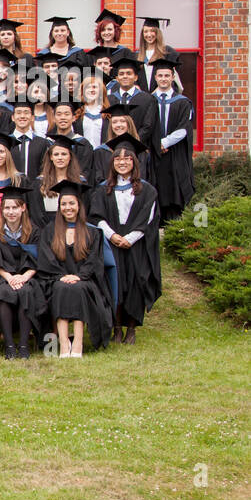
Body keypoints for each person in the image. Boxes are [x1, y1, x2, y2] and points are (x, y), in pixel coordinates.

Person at [89, 136, 161, 344]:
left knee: (137, 284)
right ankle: (117, 329)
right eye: (117, 159)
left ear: (134, 162)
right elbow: (96, 216)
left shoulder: (147, 190)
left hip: (136, 245)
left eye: (127, 158)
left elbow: (149, 219)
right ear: (112, 163)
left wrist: (129, 238)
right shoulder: (103, 189)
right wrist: (112, 235)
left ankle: (131, 329)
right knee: (115, 284)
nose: (122, 162)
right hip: (111, 244)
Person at [36, 180, 113, 356]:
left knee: (77, 288)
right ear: (59, 207)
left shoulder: (91, 232)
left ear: (79, 205)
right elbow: (46, 259)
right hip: (56, 279)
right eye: (63, 204)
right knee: (62, 287)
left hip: (85, 280)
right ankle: (64, 344)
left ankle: (77, 343)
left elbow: (94, 261)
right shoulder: (50, 231)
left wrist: (79, 276)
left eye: (71, 203)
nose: (67, 207)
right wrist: (61, 276)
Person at [0, 185, 45, 359]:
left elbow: (39, 260)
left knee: (26, 292)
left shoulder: (34, 232)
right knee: (4, 293)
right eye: (7, 208)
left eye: (15, 207)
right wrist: (9, 277)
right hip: (3, 277)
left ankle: (24, 346)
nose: (11, 212)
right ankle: (9, 346)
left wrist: (24, 277)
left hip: (29, 277)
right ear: (2, 210)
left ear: (23, 208)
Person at [146, 57, 195, 222]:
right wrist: (155, 145)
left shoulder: (182, 102)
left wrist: (163, 143)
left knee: (175, 193)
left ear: (173, 77)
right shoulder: (147, 100)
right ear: (155, 78)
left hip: (175, 155)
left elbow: (184, 129)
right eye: (160, 76)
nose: (163, 79)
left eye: (167, 75)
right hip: (154, 156)